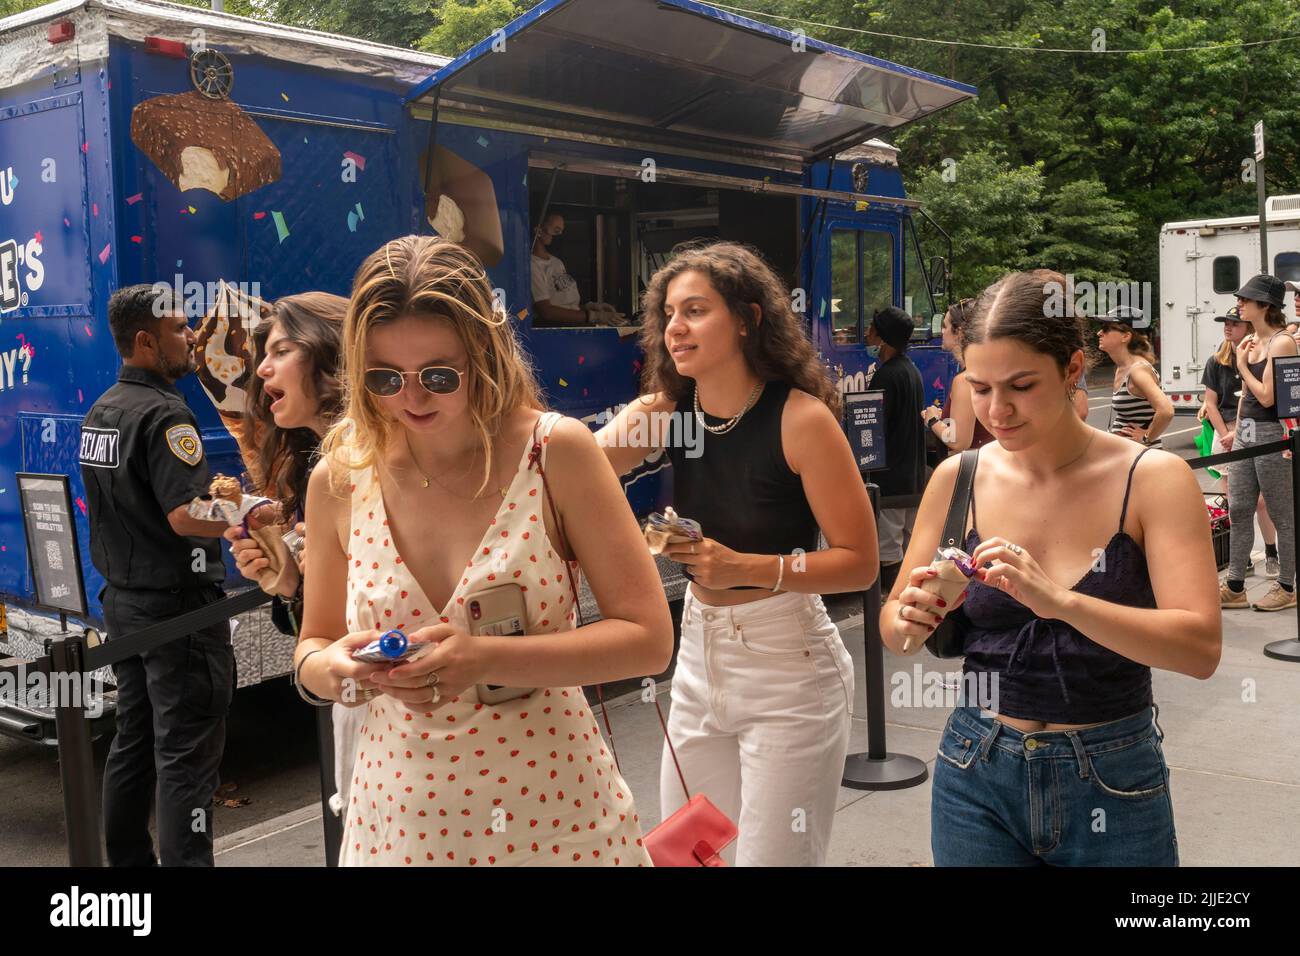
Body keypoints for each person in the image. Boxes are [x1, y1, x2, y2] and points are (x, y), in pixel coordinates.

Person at [295, 235, 673, 866]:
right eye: (384, 377)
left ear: (485, 354)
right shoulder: (338, 477)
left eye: (438, 376)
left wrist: (484, 659)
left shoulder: (558, 452)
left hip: (556, 826)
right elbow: (311, 647)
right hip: (399, 827)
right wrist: (338, 672)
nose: (411, 398)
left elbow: (649, 639)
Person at [880, 268, 1221, 866]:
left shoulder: (1150, 478)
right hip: (975, 761)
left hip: (1110, 766)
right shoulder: (958, 477)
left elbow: (1198, 648)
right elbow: (897, 632)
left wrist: (1058, 601)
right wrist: (914, 613)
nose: (997, 410)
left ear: (1072, 369)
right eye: (979, 388)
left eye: (1020, 385)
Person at [597, 241, 876, 866]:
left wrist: (745, 567)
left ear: (747, 319)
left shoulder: (801, 419)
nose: (675, 326)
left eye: (695, 310)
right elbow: (570, 470)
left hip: (789, 665)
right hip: (698, 656)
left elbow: (859, 561)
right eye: (668, 312)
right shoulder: (668, 411)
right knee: (686, 855)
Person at [79, 284, 235, 866]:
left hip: (123, 604)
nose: (191, 336)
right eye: (178, 328)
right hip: (178, 614)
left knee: (134, 742)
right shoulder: (167, 412)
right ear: (146, 341)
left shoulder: (103, 409)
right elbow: (186, 515)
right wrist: (252, 514)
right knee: (186, 756)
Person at [220, 292, 359, 823]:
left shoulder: (391, 459)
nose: (261, 368)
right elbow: (335, 627)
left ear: (330, 356)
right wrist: (291, 583)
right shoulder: (316, 472)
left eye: (280, 350)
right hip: (371, 735)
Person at [1221, 274, 1297, 611]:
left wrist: (1241, 364)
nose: (1239, 304)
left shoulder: (1281, 342)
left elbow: (1267, 397)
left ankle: (1287, 586)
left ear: (1264, 305)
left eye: (1245, 300)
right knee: (1238, 509)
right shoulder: (1252, 339)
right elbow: (1246, 397)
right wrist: (1235, 430)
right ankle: (1235, 585)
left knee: (1282, 514)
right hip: (1247, 433)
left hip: (1271, 435)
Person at [864, 306, 926, 594]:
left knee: (888, 553)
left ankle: (892, 605)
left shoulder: (886, 377)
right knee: (907, 547)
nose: (867, 333)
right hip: (911, 478)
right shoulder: (911, 371)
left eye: (872, 328)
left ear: (883, 338)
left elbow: (873, 432)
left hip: (890, 482)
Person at [922, 297, 995, 455]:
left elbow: (958, 440)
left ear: (960, 332)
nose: (941, 332)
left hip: (971, 472)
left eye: (945, 326)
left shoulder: (965, 380)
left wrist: (932, 419)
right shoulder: (988, 371)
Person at [1095, 306, 1173, 448]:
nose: (1099, 333)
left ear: (1126, 336)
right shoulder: (1122, 368)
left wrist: (1146, 438)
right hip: (1127, 457)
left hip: (1141, 460)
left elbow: (1166, 411)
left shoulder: (1137, 371)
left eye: (1106, 329)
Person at [530, 212, 624, 327]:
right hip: (558, 330)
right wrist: (592, 316)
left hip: (574, 325)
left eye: (562, 231)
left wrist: (590, 307)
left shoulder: (557, 263)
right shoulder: (532, 265)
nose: (559, 234)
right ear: (538, 230)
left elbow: (564, 305)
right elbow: (546, 311)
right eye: (556, 230)